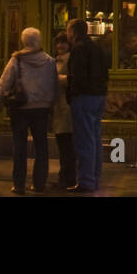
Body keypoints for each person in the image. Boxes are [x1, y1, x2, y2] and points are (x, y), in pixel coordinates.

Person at [0, 27, 58, 194]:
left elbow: (3, 83)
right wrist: (51, 104)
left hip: (20, 108)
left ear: (23, 41)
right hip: (41, 109)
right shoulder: (49, 61)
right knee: (41, 147)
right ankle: (39, 183)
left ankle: (19, 184)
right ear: (39, 41)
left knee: (19, 147)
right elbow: (53, 85)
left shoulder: (16, 61)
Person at [66, 18, 109, 192]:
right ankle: (94, 177)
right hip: (99, 96)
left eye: (68, 31)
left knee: (84, 140)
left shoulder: (79, 49)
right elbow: (105, 73)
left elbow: (78, 77)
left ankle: (86, 181)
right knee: (95, 138)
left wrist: (67, 83)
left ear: (74, 32)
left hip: (84, 97)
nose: (67, 34)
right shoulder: (97, 47)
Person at [51, 33, 77, 188]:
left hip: (65, 105)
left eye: (63, 43)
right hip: (59, 106)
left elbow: (71, 79)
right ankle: (65, 175)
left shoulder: (70, 59)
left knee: (66, 143)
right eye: (58, 43)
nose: (60, 46)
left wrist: (57, 78)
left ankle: (68, 177)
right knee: (63, 143)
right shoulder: (55, 59)